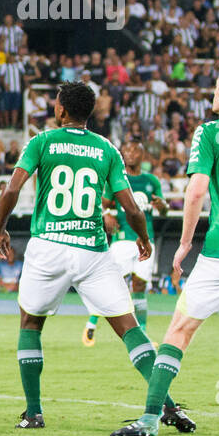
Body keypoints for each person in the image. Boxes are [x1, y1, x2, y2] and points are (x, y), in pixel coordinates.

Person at [0, 82, 193, 432]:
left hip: (49, 247)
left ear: (60, 110)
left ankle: (34, 413)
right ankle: (169, 406)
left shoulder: (41, 142)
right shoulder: (106, 149)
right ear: (90, 112)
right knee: (129, 328)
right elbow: (130, 205)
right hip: (92, 251)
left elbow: (12, 188)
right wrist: (143, 237)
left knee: (30, 324)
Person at [113, 65, 219, 436]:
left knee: (179, 331)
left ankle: (150, 420)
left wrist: (185, 243)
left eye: (216, 88)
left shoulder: (210, 132)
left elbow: (197, 191)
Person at [83, 140, 169, 346]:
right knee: (113, 284)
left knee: (139, 285)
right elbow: (101, 204)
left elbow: (163, 210)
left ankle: (144, 334)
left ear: (142, 155)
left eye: (134, 150)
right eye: (127, 151)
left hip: (144, 239)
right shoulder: (117, 179)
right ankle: (92, 323)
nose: (129, 154)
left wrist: (162, 205)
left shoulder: (151, 181)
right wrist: (107, 215)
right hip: (122, 240)